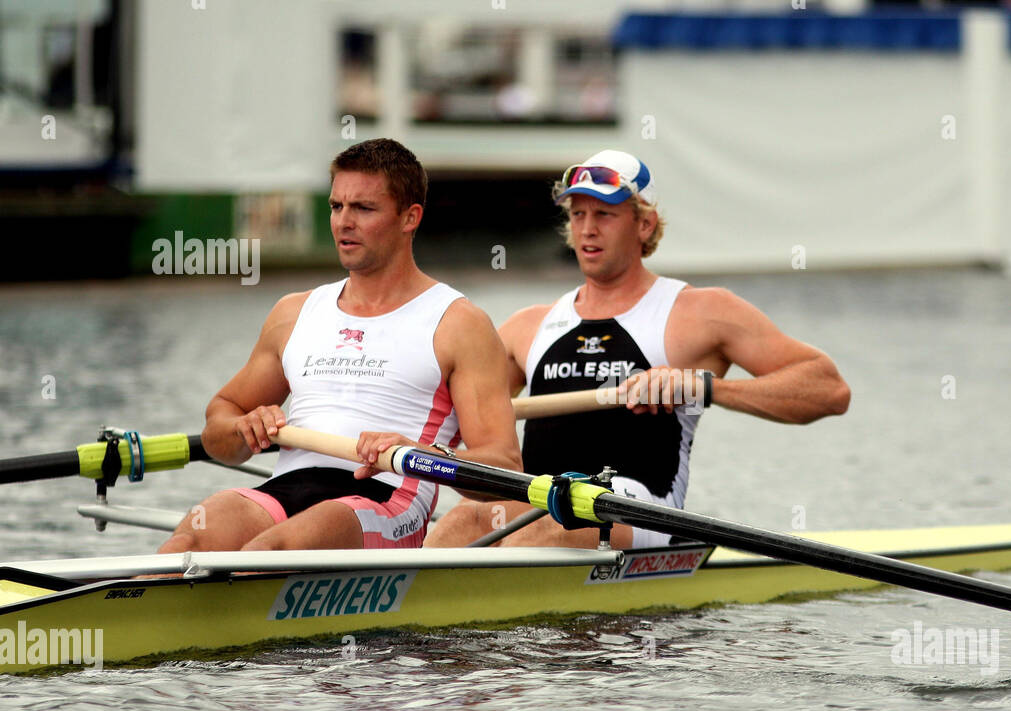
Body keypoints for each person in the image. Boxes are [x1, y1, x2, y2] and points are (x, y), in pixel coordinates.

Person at [419, 149, 851, 549]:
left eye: (605, 214)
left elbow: (829, 389)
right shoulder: (528, 326)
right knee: (466, 517)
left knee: (553, 525)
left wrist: (703, 388)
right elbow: (455, 416)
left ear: (644, 224)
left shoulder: (701, 311)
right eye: (578, 214)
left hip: (639, 508)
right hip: (543, 499)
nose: (587, 228)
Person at [158, 138, 521, 553]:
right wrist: (244, 429)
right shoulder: (293, 313)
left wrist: (425, 453)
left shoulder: (459, 324)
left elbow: (505, 466)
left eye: (363, 209)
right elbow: (218, 425)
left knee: (272, 550)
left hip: (387, 498)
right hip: (285, 489)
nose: (343, 222)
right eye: (336, 207)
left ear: (409, 217)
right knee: (190, 540)